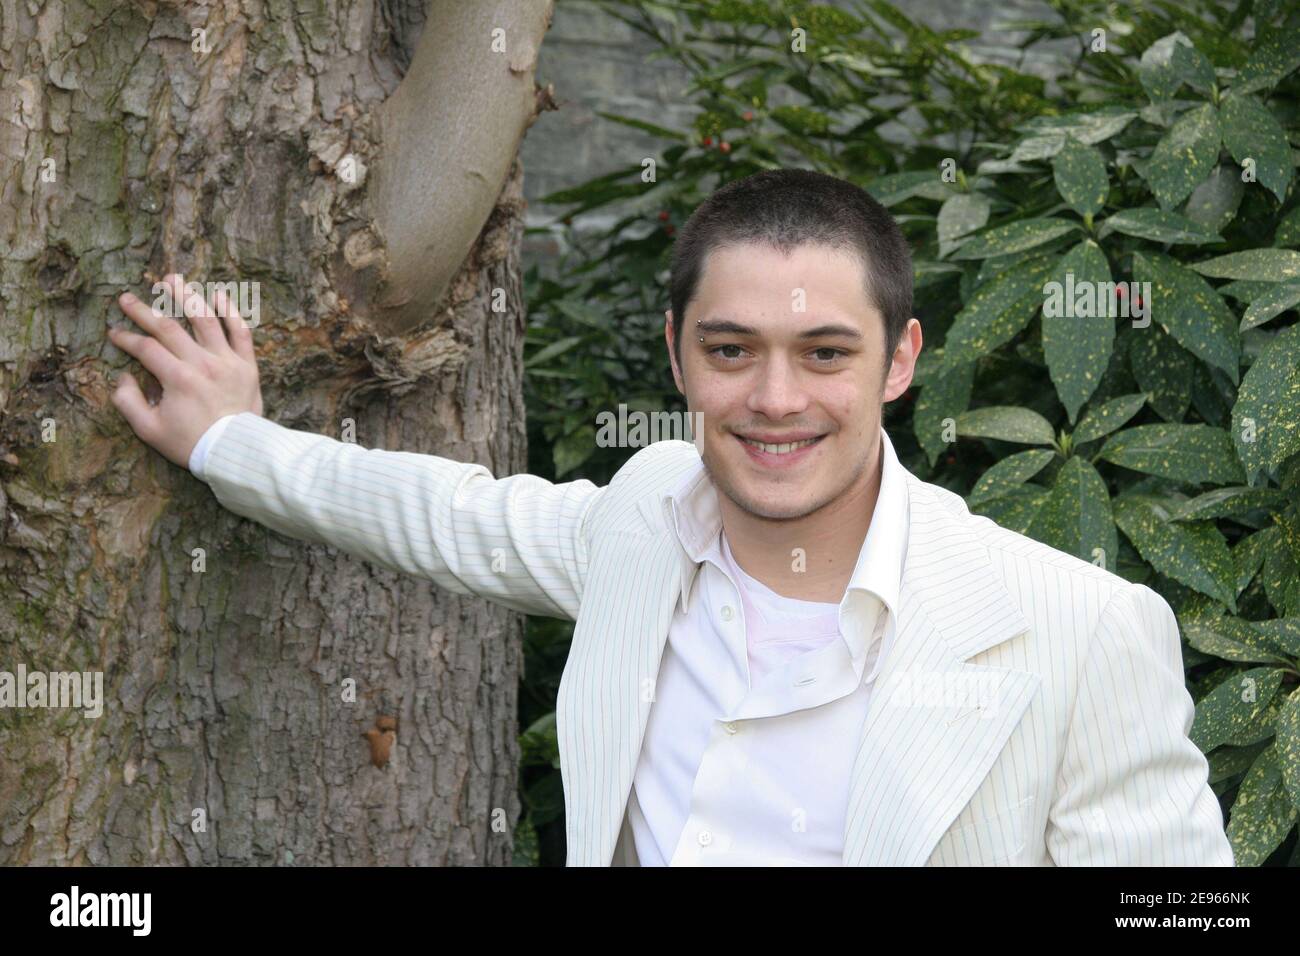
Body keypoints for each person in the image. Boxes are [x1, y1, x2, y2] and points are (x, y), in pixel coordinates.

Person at [107, 168, 1234, 867]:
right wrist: (226, 441)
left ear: (899, 362)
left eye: (825, 354)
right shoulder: (645, 517)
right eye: (732, 349)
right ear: (678, 356)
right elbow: (447, 514)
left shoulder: (1080, 630)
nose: (776, 399)